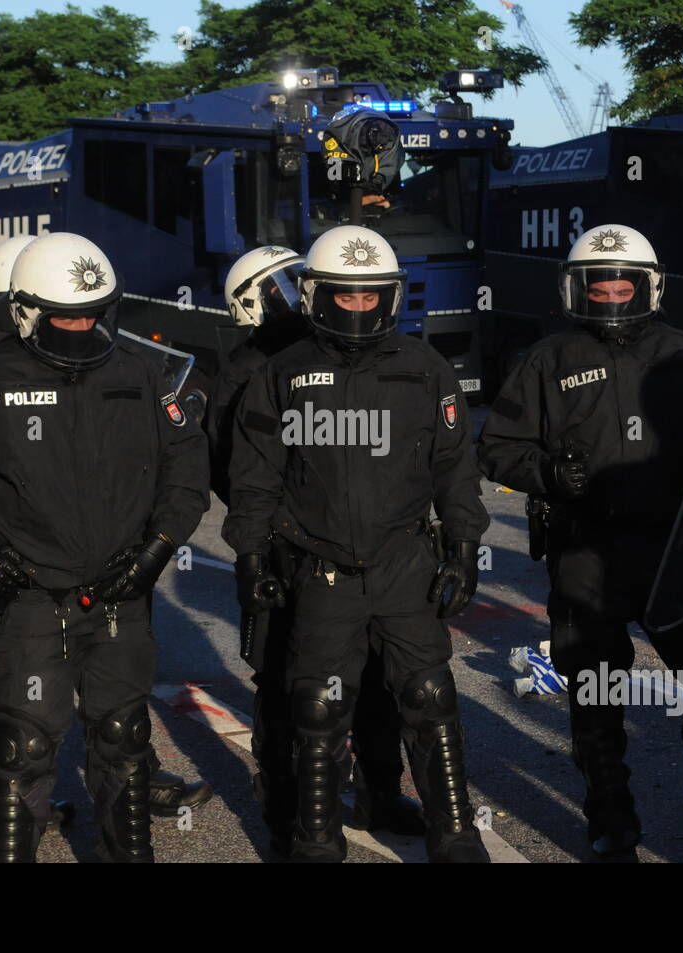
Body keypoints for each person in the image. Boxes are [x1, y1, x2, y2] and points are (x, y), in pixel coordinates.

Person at [478, 224, 683, 863]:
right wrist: (547, 474)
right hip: (585, 552)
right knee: (596, 692)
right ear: (576, 287)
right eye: (601, 284)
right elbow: (498, 448)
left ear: (650, 286)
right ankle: (612, 824)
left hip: (676, 551)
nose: (613, 294)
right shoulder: (545, 358)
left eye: (625, 282)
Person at [0, 232, 210, 863]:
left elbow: (186, 473)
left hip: (123, 592)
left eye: (92, 313)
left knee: (124, 739)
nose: (81, 326)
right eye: (65, 315)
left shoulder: (142, 374)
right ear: (24, 310)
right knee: (25, 749)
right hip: (31, 599)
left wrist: (158, 548)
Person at [224, 225, 490, 863]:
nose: (360, 307)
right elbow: (254, 477)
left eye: (373, 296)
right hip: (319, 568)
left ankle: (453, 831)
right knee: (318, 704)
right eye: (346, 296)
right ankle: (316, 837)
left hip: (405, 560)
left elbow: (455, 470)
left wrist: (463, 549)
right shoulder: (281, 374)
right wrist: (251, 557)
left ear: (392, 296)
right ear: (318, 295)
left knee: (428, 694)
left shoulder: (426, 371)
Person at [208, 244, 425, 855]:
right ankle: (284, 810)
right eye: (270, 290)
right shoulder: (247, 368)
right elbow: (235, 468)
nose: (286, 299)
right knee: (283, 682)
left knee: (380, 678)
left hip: (363, 553)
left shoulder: (341, 347)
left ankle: (381, 792)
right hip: (284, 549)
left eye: (291, 283)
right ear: (247, 305)